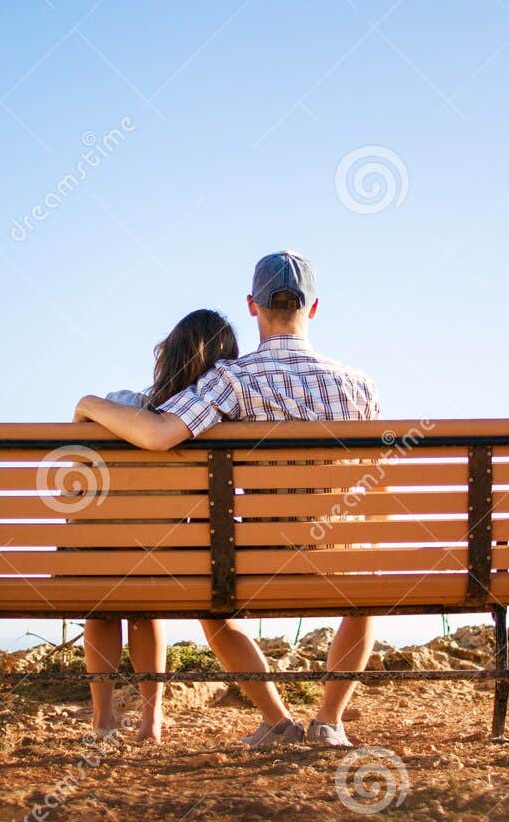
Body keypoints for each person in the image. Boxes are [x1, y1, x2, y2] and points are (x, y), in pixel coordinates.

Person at [75, 251, 379, 749]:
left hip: (254, 565)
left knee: (215, 607)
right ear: (315, 308)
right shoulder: (360, 386)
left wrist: (89, 403)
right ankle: (328, 721)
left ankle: (278, 722)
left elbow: (158, 434)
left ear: (252, 306)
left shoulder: (232, 379)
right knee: (362, 596)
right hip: (342, 564)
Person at [80, 308, 239, 743]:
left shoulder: (124, 405)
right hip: (166, 566)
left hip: (98, 562)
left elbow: (74, 456)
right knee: (145, 601)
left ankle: (102, 723)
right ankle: (151, 723)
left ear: (166, 355)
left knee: (103, 599)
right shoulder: (220, 424)